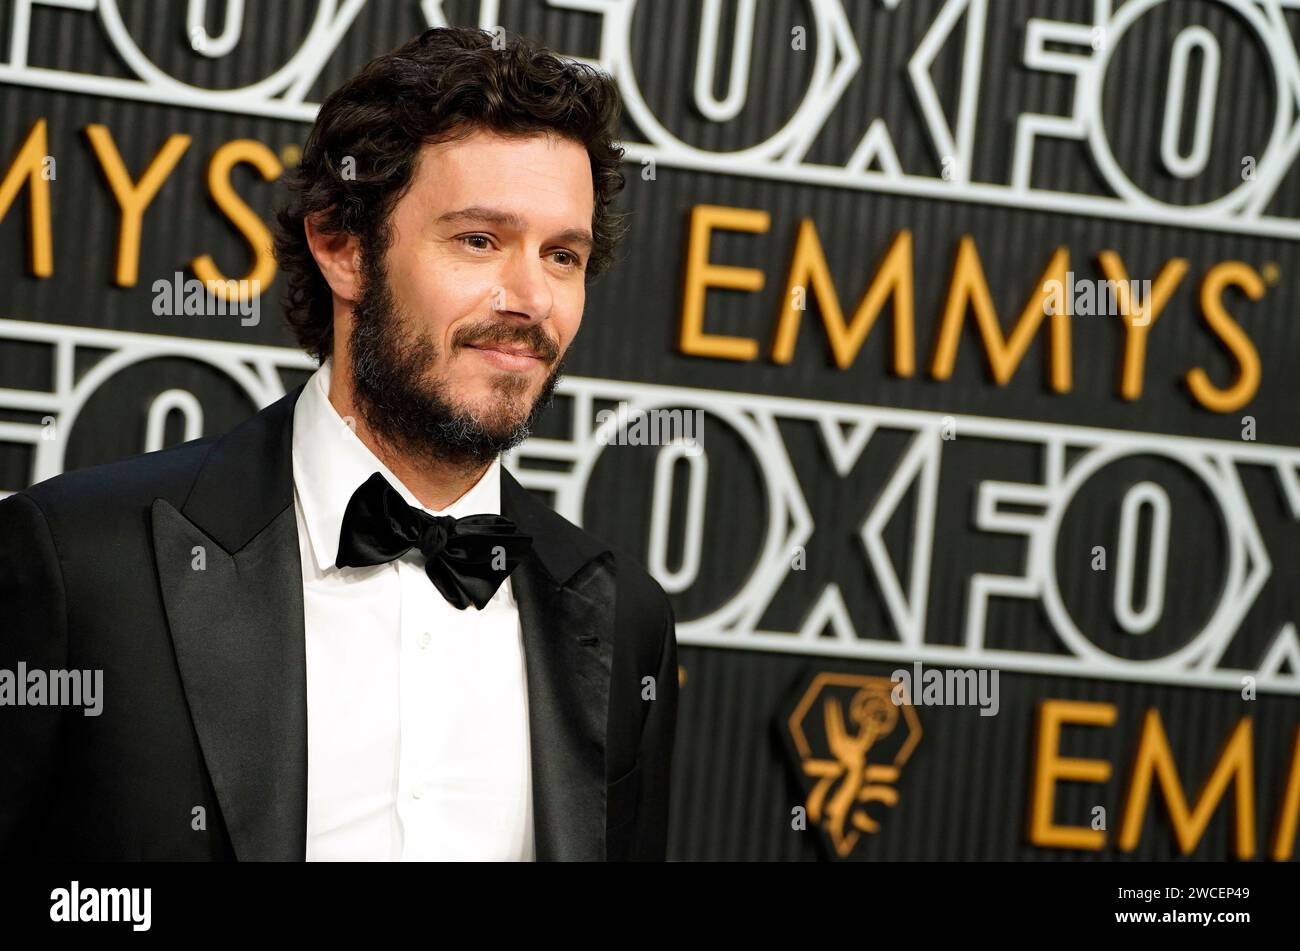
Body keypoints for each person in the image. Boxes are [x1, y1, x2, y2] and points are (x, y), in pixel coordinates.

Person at [0, 26, 677, 862]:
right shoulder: (83, 560)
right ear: (342, 246)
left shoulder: (622, 616)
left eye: (563, 254)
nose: (532, 297)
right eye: (479, 240)